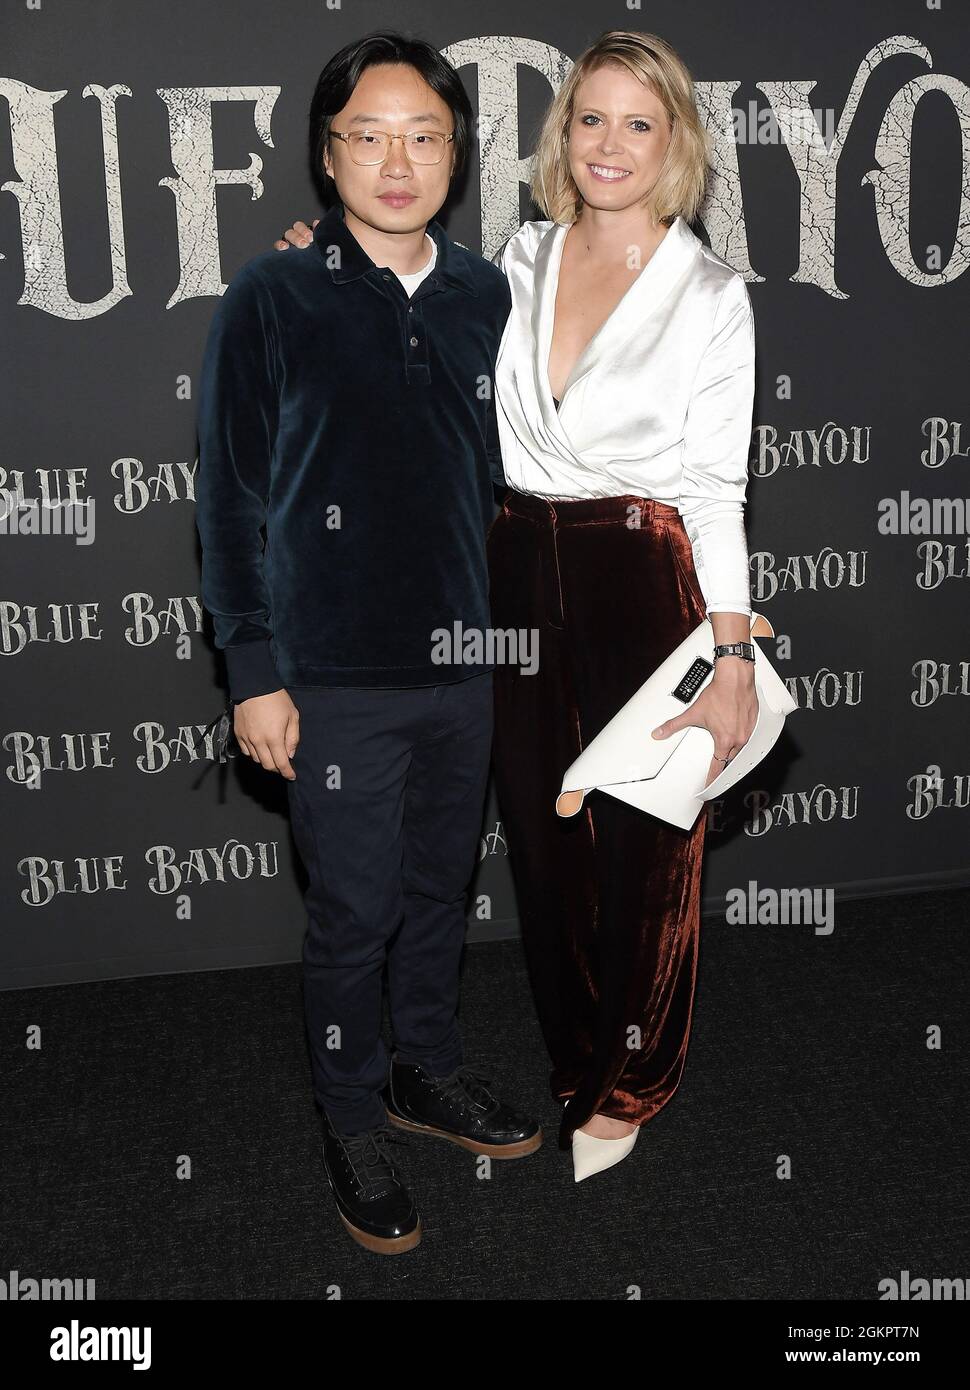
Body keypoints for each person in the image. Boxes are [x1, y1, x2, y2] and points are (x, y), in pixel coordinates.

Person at [277, 28, 759, 1183]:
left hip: (642, 570)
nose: (610, 143)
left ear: (675, 144)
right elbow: (404, 318)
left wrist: (730, 648)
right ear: (562, 135)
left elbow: (713, 487)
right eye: (590, 117)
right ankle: (569, 1053)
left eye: (638, 123)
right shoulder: (517, 261)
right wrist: (318, 254)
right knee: (547, 843)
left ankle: (629, 1076)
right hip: (509, 564)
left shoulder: (708, 295)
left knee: (648, 847)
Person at [195, 31, 540, 1258]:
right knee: (350, 915)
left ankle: (423, 1072)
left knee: (439, 892)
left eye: (425, 136)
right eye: (368, 135)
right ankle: (350, 1116)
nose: (397, 161)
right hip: (330, 677)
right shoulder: (273, 293)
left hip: (464, 667)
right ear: (326, 153)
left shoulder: (489, 294)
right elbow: (230, 497)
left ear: (457, 152)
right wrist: (255, 670)